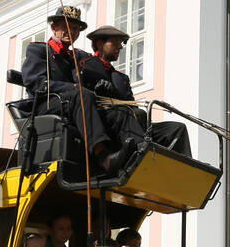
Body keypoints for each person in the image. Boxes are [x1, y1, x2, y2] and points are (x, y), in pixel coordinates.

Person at [19, 6, 120, 174]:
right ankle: (101, 154)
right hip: (45, 103)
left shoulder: (75, 58)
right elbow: (37, 82)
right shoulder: (38, 50)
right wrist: (73, 88)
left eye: (75, 29)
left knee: (108, 107)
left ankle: (122, 151)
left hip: (70, 104)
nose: (71, 32)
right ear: (54, 27)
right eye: (66, 27)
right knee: (81, 95)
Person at [80, 25, 192, 164]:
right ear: (99, 44)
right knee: (133, 114)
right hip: (104, 124)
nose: (120, 47)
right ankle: (143, 159)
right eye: (115, 42)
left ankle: (184, 168)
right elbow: (81, 100)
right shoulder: (84, 66)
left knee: (176, 129)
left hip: (130, 122)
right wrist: (96, 92)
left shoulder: (121, 78)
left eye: (121, 43)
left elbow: (131, 104)